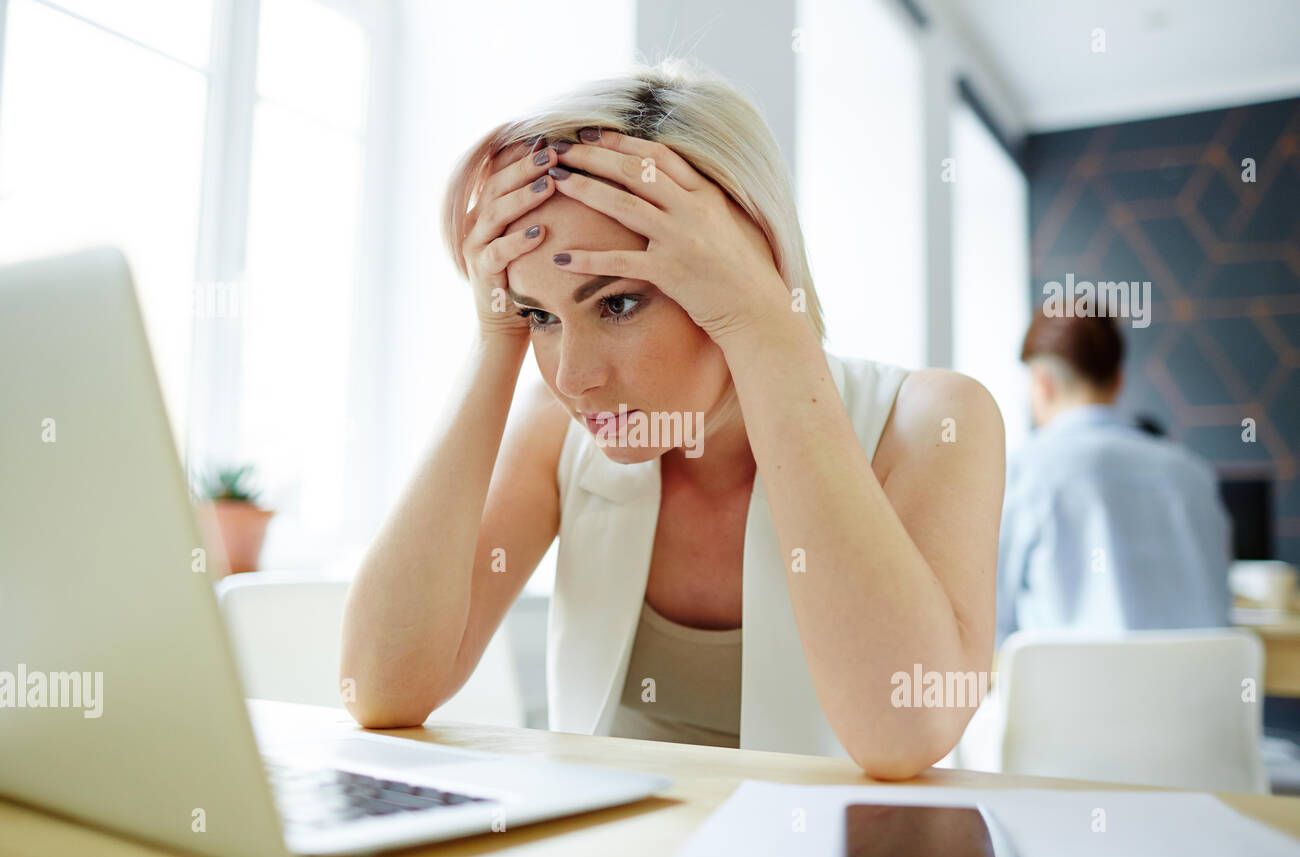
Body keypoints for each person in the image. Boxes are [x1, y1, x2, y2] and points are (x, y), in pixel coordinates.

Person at [340, 60, 1005, 779]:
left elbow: (902, 733)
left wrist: (762, 324)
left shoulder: (936, 421)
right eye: (541, 315)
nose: (573, 377)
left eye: (617, 303)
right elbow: (379, 690)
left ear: (743, 258)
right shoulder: (550, 428)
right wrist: (495, 338)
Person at [995, 306, 1232, 646]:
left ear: (1042, 385)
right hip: (1205, 698)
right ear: (1118, 381)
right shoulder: (1193, 475)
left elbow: (987, 626)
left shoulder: (1022, 472)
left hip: (1070, 697)